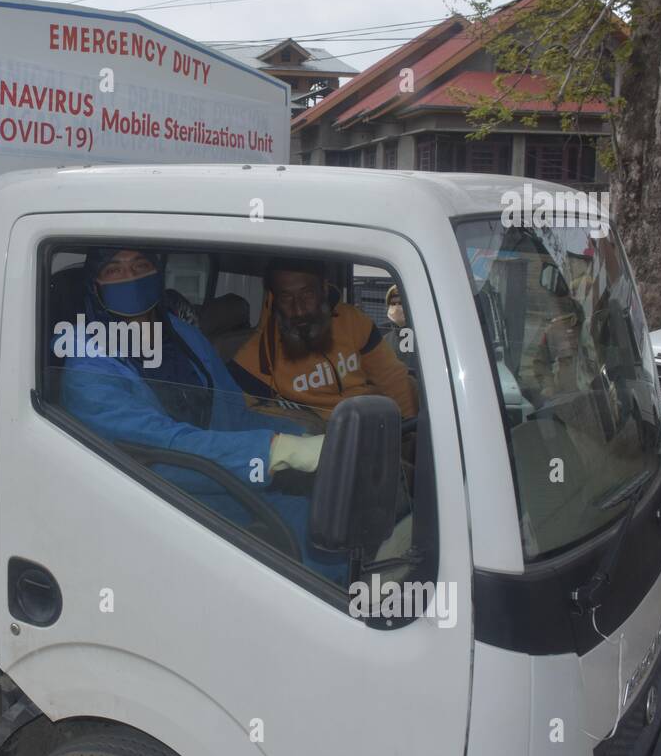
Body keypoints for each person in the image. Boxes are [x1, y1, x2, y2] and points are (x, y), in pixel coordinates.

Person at [58, 248, 346, 582]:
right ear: (95, 285)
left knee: (337, 525)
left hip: (227, 485)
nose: (131, 278)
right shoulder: (89, 367)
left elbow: (234, 412)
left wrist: (309, 437)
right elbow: (161, 451)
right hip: (165, 507)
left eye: (141, 265)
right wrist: (276, 451)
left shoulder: (180, 334)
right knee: (313, 558)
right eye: (114, 270)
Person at [229, 259, 418, 420]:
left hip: (369, 426)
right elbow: (235, 414)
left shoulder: (353, 321)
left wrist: (411, 434)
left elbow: (392, 379)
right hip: (314, 446)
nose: (299, 310)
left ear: (324, 290)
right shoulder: (258, 355)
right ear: (273, 299)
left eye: (307, 295)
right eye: (286, 298)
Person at [380, 284, 418, 372]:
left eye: (401, 303)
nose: (397, 308)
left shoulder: (421, 337)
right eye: (393, 304)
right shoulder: (385, 340)